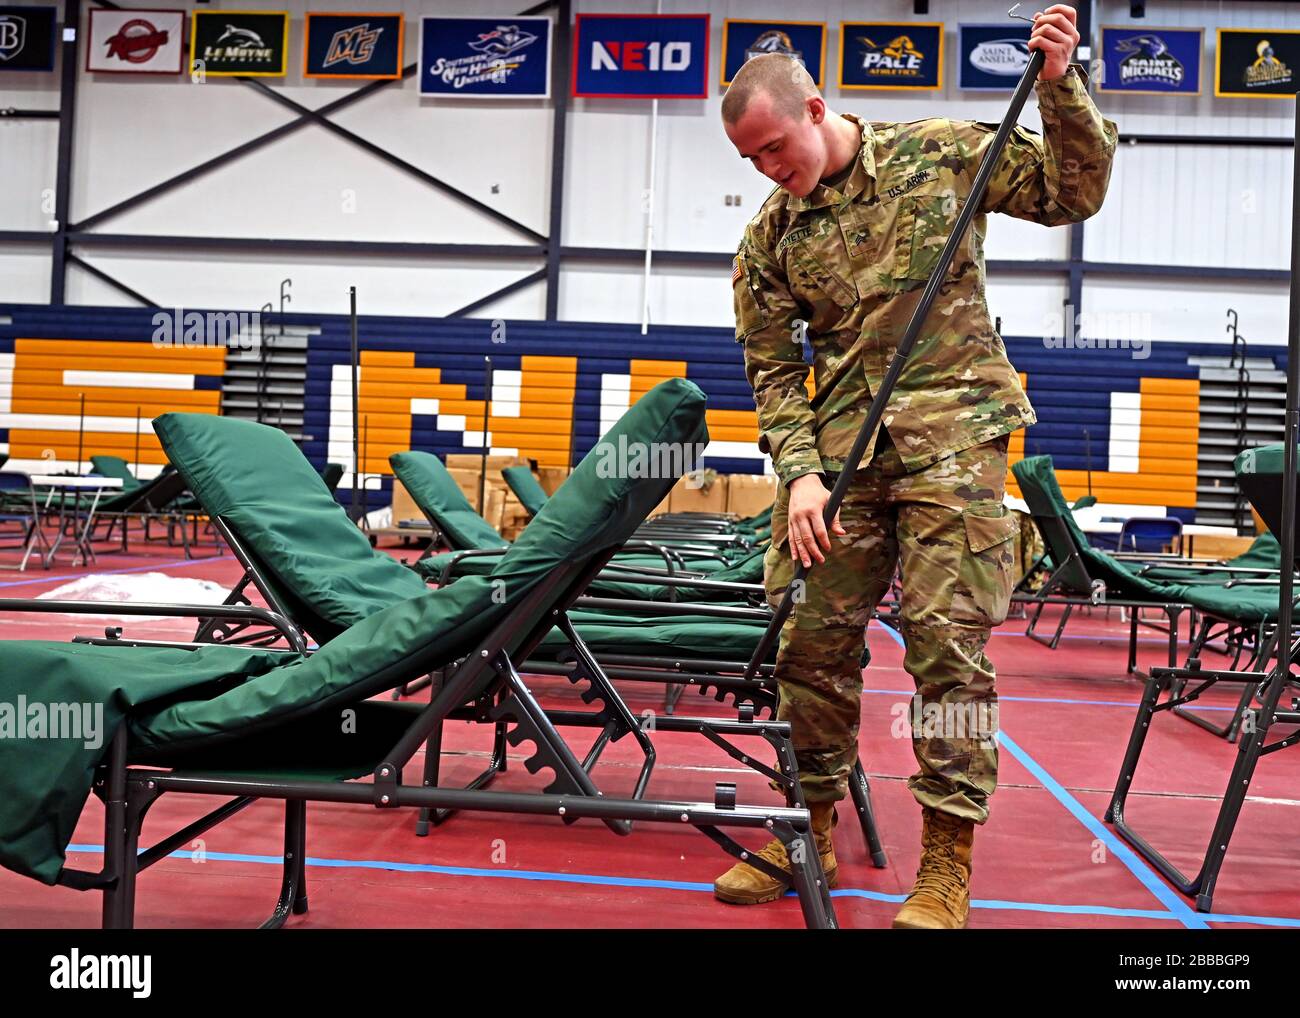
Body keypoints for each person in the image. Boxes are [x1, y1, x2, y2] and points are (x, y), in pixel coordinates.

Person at [715, 5, 1116, 928]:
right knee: (807, 643)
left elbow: (1071, 194)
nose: (771, 170)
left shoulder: (940, 153)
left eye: (776, 147)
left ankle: (945, 864)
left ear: (816, 109)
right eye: (752, 161)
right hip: (842, 464)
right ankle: (803, 826)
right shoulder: (771, 238)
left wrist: (1061, 89)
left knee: (949, 655)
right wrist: (803, 473)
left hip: (954, 444)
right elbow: (773, 369)